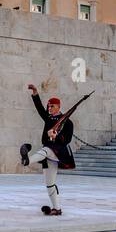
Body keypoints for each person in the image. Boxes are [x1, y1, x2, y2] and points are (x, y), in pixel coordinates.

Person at [20, 84, 93, 216]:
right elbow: (39, 108)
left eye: (52, 106)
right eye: (49, 106)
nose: (49, 108)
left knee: (47, 149)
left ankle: (27, 160)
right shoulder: (48, 118)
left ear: (59, 107)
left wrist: (56, 136)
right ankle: (57, 208)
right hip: (47, 154)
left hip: (59, 151)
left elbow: (67, 140)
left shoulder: (68, 122)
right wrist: (35, 93)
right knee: (49, 183)